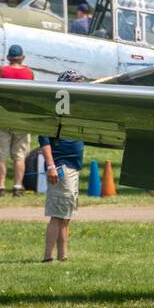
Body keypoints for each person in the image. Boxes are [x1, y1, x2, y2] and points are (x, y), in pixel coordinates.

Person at [41, 71, 87, 262]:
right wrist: (51, 165)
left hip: (73, 167)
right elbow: (44, 139)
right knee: (57, 215)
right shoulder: (55, 111)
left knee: (66, 216)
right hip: (62, 167)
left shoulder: (74, 111)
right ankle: (48, 257)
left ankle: (63, 256)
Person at [0, 44, 35, 197]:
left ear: (9, 58)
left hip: (3, 116)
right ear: (22, 58)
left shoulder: (2, 71)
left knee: (1, 155)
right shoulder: (29, 73)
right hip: (21, 117)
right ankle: (17, 187)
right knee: (20, 155)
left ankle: (0, 187)